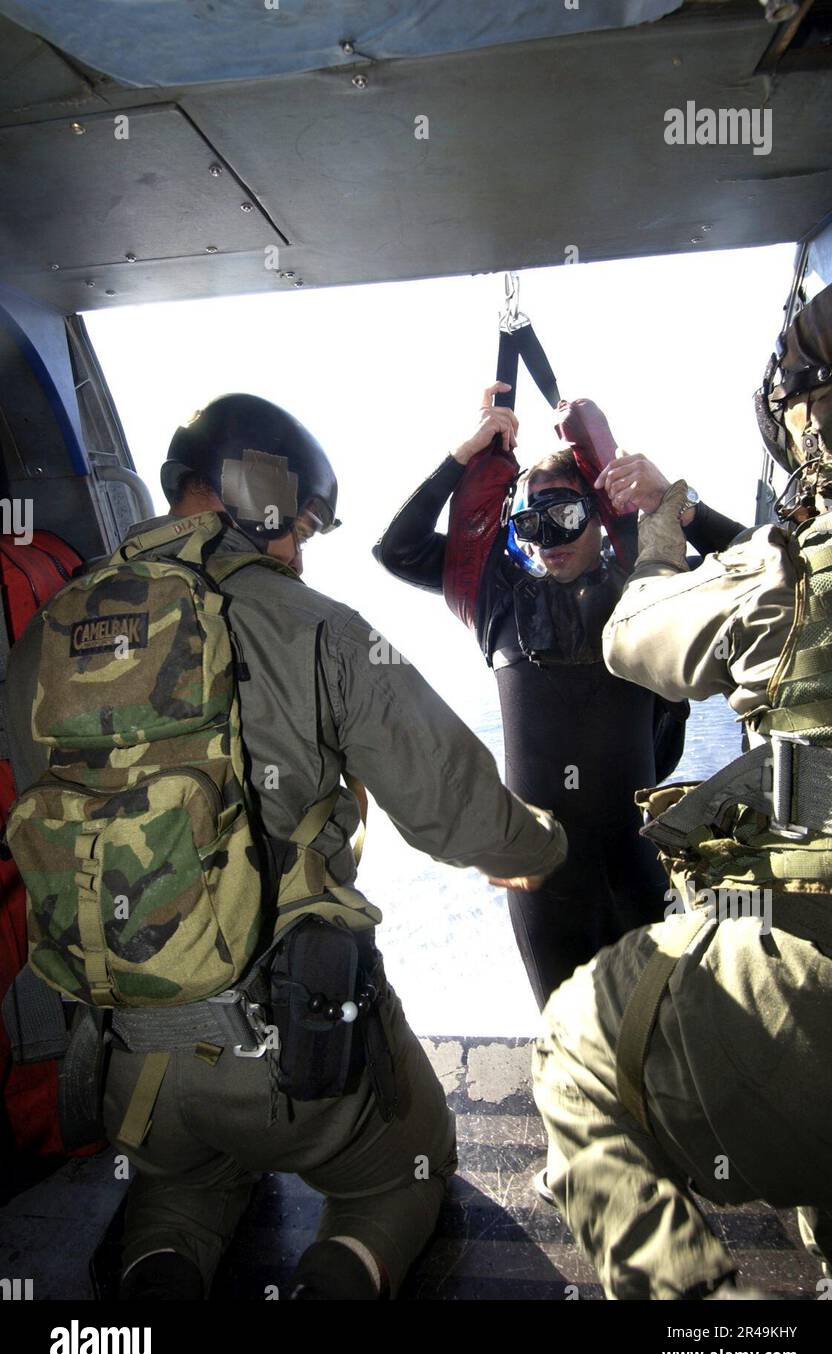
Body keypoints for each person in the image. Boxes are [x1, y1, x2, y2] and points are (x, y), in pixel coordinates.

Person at [4, 392, 567, 1301]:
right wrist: (540, 850)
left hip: (125, 1062)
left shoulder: (45, 639)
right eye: (300, 525)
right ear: (254, 490)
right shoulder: (316, 625)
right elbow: (456, 808)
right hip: (301, 1054)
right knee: (402, 1171)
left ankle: (160, 1270)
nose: (301, 552)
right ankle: (338, 1279)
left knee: (180, 1188)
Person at [532, 274, 832, 1299]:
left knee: (576, 1047)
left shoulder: (789, 569)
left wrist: (663, 532)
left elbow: (634, 633)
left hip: (819, 1013)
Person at [374, 387, 741, 1006]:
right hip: (543, 885)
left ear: (600, 516)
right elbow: (397, 549)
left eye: (566, 517)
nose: (549, 538)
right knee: (571, 1053)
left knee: (666, 1044)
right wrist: (462, 457)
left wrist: (673, 502)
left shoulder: (649, 591)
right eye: (531, 525)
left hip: (640, 867)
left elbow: (755, 565)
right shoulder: (498, 600)